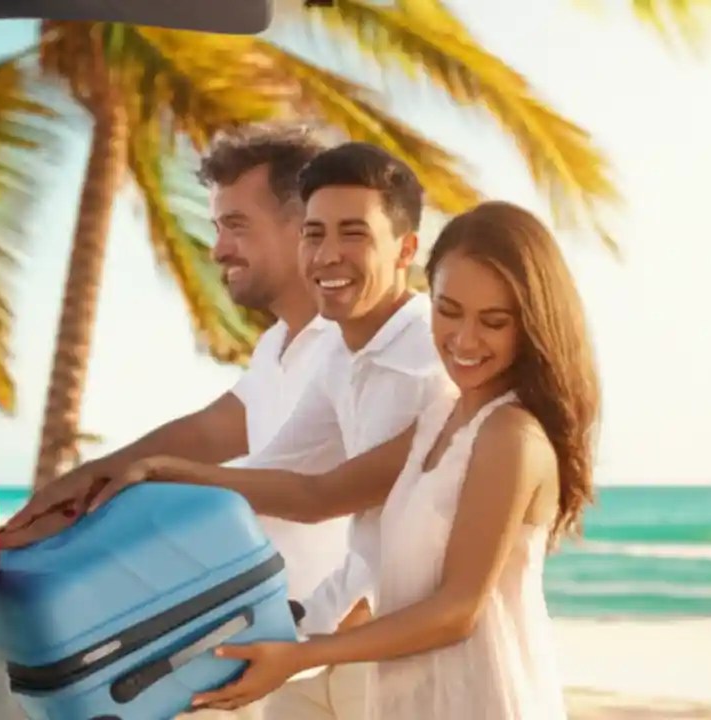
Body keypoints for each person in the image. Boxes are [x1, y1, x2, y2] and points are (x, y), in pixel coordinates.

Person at [92, 201, 601, 720]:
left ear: (533, 322)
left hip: (482, 700)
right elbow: (320, 495)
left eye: (494, 321)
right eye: (448, 311)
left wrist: (301, 656)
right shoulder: (441, 421)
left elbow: (457, 611)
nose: (465, 340)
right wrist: (173, 472)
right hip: (415, 700)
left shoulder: (509, 434)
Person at [0, 123, 352, 719]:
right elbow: (208, 431)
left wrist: (133, 486)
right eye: (217, 227)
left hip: (345, 656)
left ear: (304, 226)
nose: (218, 249)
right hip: (279, 647)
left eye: (237, 226)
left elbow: (291, 486)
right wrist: (86, 482)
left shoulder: (349, 345)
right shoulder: (279, 349)